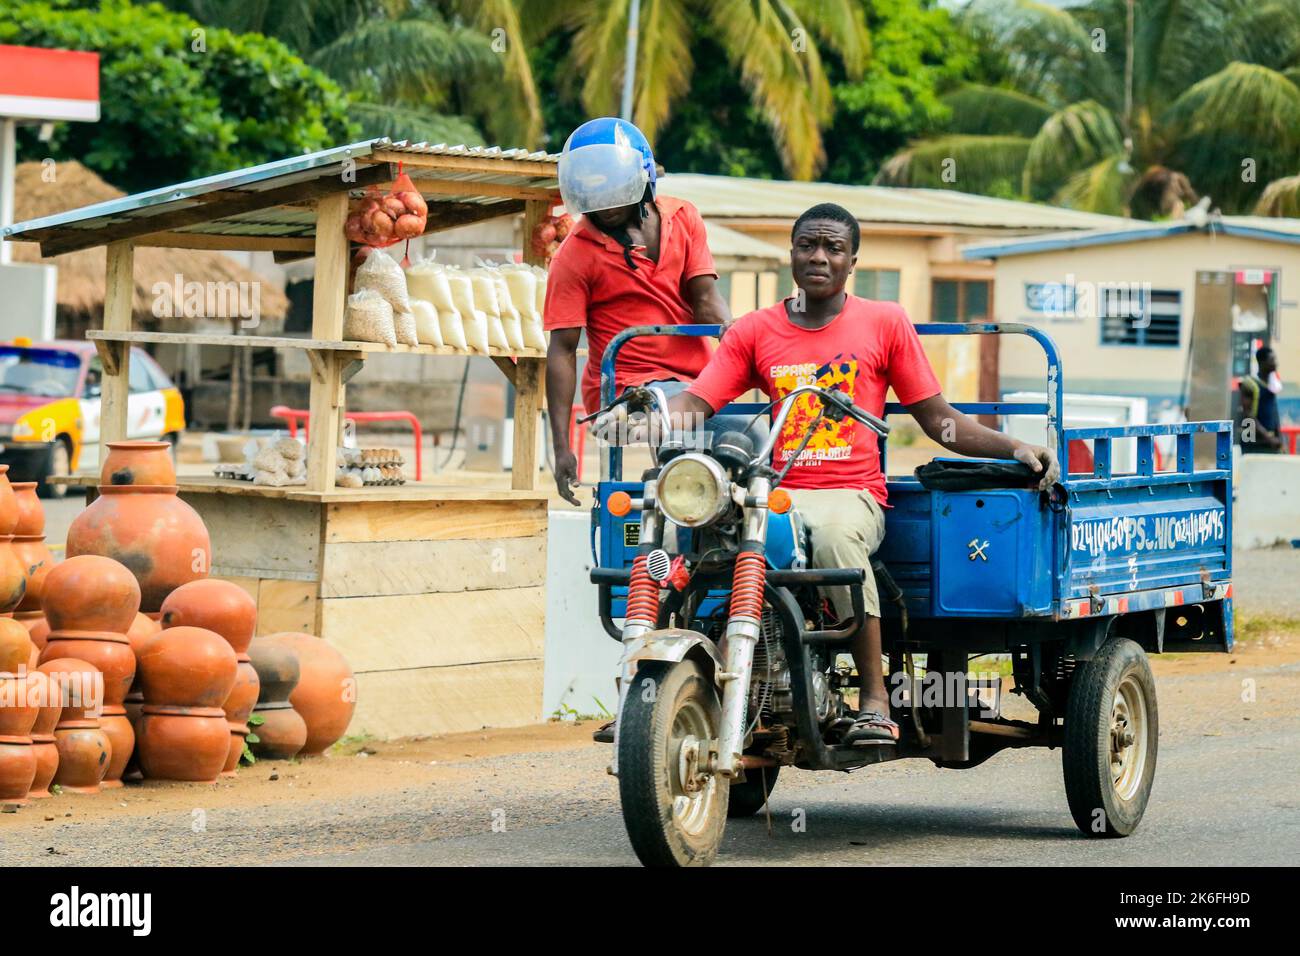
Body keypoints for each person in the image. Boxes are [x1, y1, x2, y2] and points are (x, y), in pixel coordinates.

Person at [663, 202, 1059, 744]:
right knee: (702, 534)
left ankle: (875, 701)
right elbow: (698, 399)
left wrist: (1012, 446)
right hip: (778, 493)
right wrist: (648, 420)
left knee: (832, 540)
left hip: (850, 494)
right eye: (807, 245)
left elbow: (938, 420)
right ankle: (667, 692)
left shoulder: (884, 321)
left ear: (853, 261)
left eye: (833, 248)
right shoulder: (755, 329)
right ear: (792, 253)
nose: (819, 257)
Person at [544, 117, 747, 506]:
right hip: (626, 392)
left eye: (614, 189)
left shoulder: (684, 218)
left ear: (644, 180)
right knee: (683, 430)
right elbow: (563, 350)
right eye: (593, 191)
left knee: (750, 436)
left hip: (694, 382)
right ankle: (675, 531)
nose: (604, 204)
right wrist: (561, 448)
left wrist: (741, 338)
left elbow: (705, 299)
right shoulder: (574, 255)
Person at [1238, 346, 1283, 453]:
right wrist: (1269, 438)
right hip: (1253, 444)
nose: (1275, 363)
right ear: (1262, 362)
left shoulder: (1272, 386)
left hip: (1270, 444)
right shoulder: (1250, 384)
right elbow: (1248, 416)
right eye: (1271, 360)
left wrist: (1279, 439)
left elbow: (1274, 414)